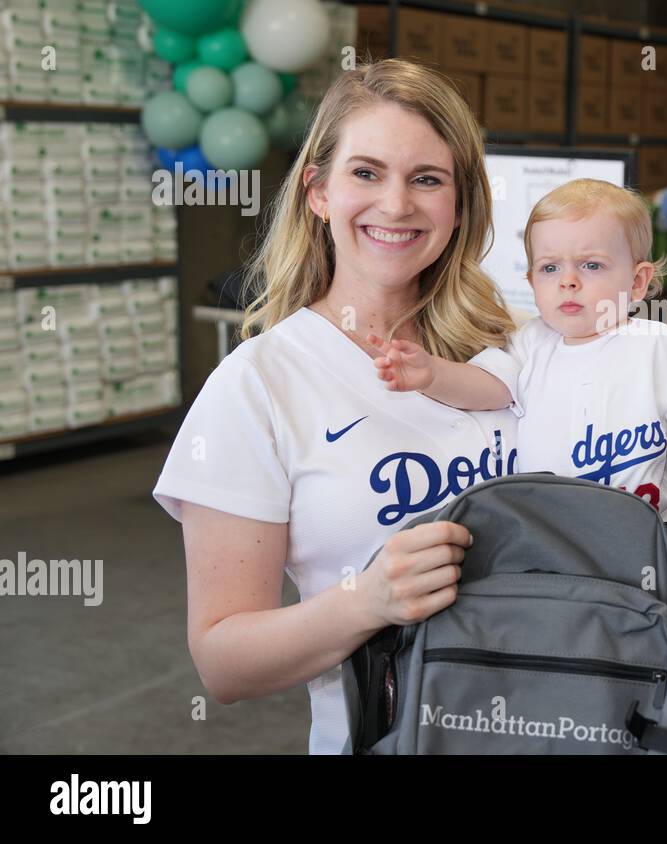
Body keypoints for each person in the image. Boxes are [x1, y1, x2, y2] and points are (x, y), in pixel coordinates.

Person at [152, 59, 520, 754]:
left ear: (462, 204)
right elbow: (223, 661)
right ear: (318, 192)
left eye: (427, 179)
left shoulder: (512, 351)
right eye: (366, 173)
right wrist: (369, 601)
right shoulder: (259, 386)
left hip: (554, 721)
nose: (396, 204)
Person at [368, 178, 667, 559]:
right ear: (531, 281)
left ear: (637, 282)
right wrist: (432, 374)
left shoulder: (666, 350)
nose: (568, 281)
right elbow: (486, 386)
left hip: (644, 554)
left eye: (591, 265)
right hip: (549, 546)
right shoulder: (531, 343)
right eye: (549, 268)